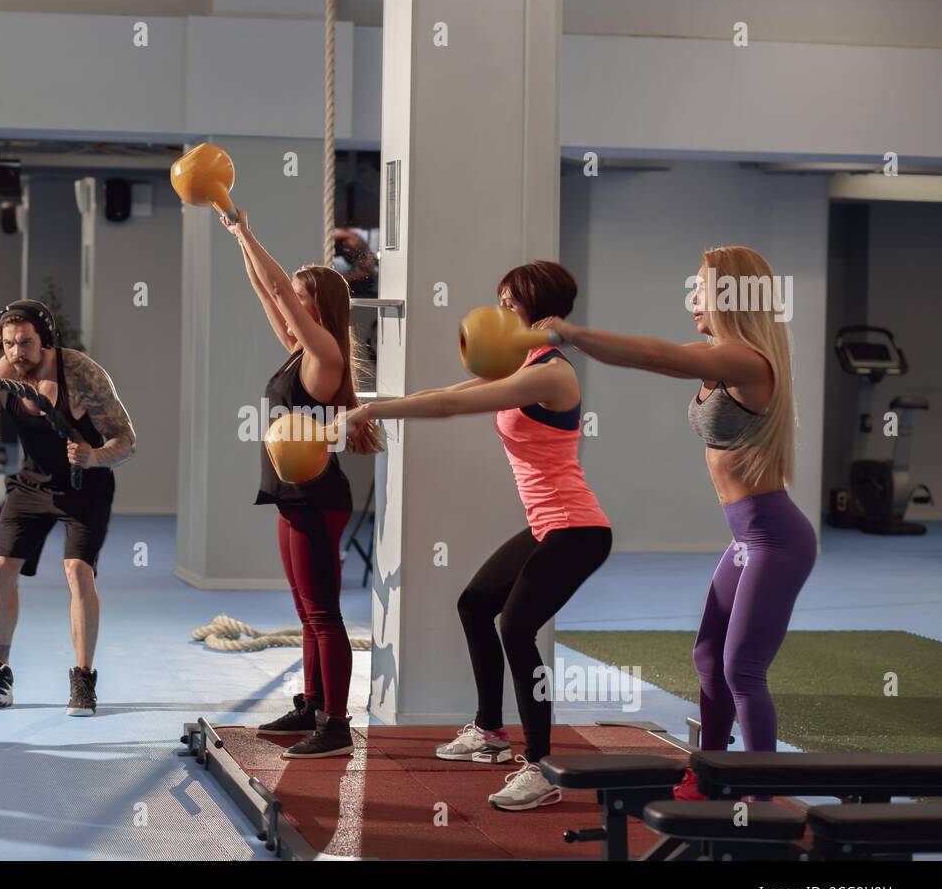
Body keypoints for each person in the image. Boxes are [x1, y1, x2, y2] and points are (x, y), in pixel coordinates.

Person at [535, 245, 814, 800]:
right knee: (708, 656)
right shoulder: (721, 357)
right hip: (746, 539)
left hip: (776, 539)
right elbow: (662, 357)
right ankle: (712, 773)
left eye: (702, 290)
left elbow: (656, 355)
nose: (693, 301)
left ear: (734, 298)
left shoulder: (748, 362)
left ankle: (760, 798)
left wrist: (571, 332)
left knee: (742, 669)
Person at [338, 261, 612, 811]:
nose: (501, 310)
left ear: (538, 306)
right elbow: (446, 391)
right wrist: (372, 407)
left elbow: (450, 406)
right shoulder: (523, 364)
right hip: (548, 526)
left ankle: (542, 768)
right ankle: (490, 731)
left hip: (578, 529)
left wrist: (370, 410)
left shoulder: (552, 373)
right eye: (500, 300)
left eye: (510, 302)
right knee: (475, 604)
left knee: (517, 626)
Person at [222, 208, 385, 759]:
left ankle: (336, 724)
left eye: (298, 296)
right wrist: (239, 239)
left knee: (323, 614)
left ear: (317, 306)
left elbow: (278, 291)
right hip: (291, 497)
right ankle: (312, 705)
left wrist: (250, 231)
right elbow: (265, 291)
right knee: (306, 613)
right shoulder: (299, 351)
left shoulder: (324, 355)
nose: (287, 301)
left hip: (316, 499)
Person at [0, 300, 137, 717]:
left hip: (85, 484)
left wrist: (93, 456)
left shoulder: (81, 374)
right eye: (9, 343)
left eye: (25, 343)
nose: (16, 352)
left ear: (45, 339)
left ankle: (83, 678)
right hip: (31, 483)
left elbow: (126, 441)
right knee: (1, 567)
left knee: (77, 570)